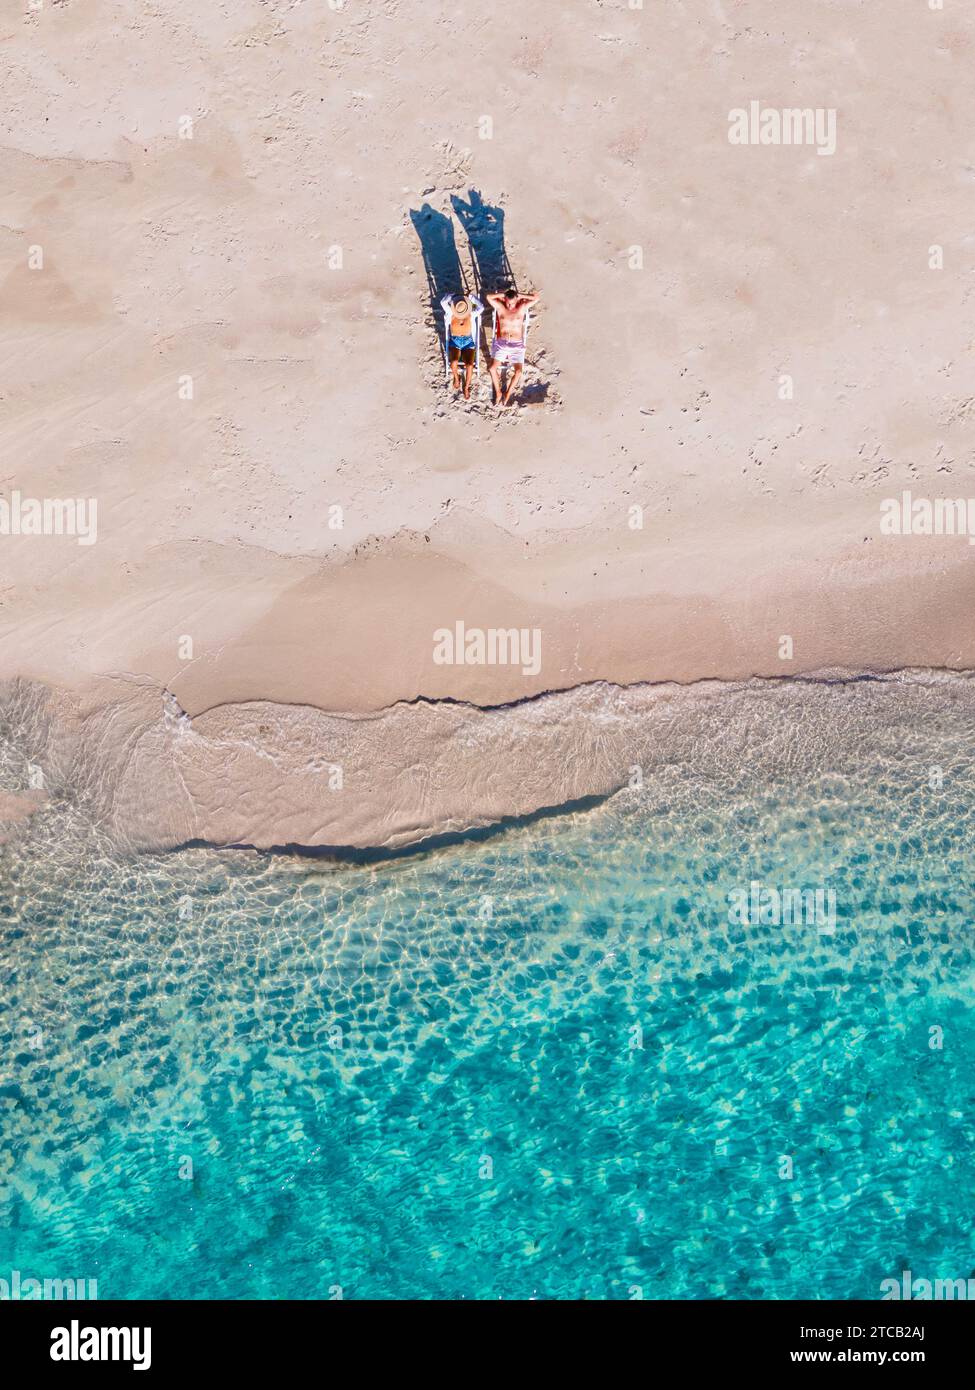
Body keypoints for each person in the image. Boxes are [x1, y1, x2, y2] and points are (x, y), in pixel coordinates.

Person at [486, 288, 539, 406]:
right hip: (502, 343)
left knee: (519, 371)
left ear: (517, 299)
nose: (510, 306)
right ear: (505, 300)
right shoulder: (501, 307)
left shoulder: (521, 307)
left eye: (513, 303)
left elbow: (536, 297)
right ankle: (499, 392)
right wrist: (503, 294)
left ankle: (508, 393)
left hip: (516, 345)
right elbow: (489, 297)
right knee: (492, 369)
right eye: (508, 303)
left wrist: (519, 295)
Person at [440, 293, 483, 400]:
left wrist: (472, 297)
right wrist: (452, 296)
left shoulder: (471, 314)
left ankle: (467, 386)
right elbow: (443, 302)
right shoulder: (451, 312)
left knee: (469, 365)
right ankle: (456, 378)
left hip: (468, 341)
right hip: (455, 341)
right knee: (454, 362)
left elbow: (481, 308)